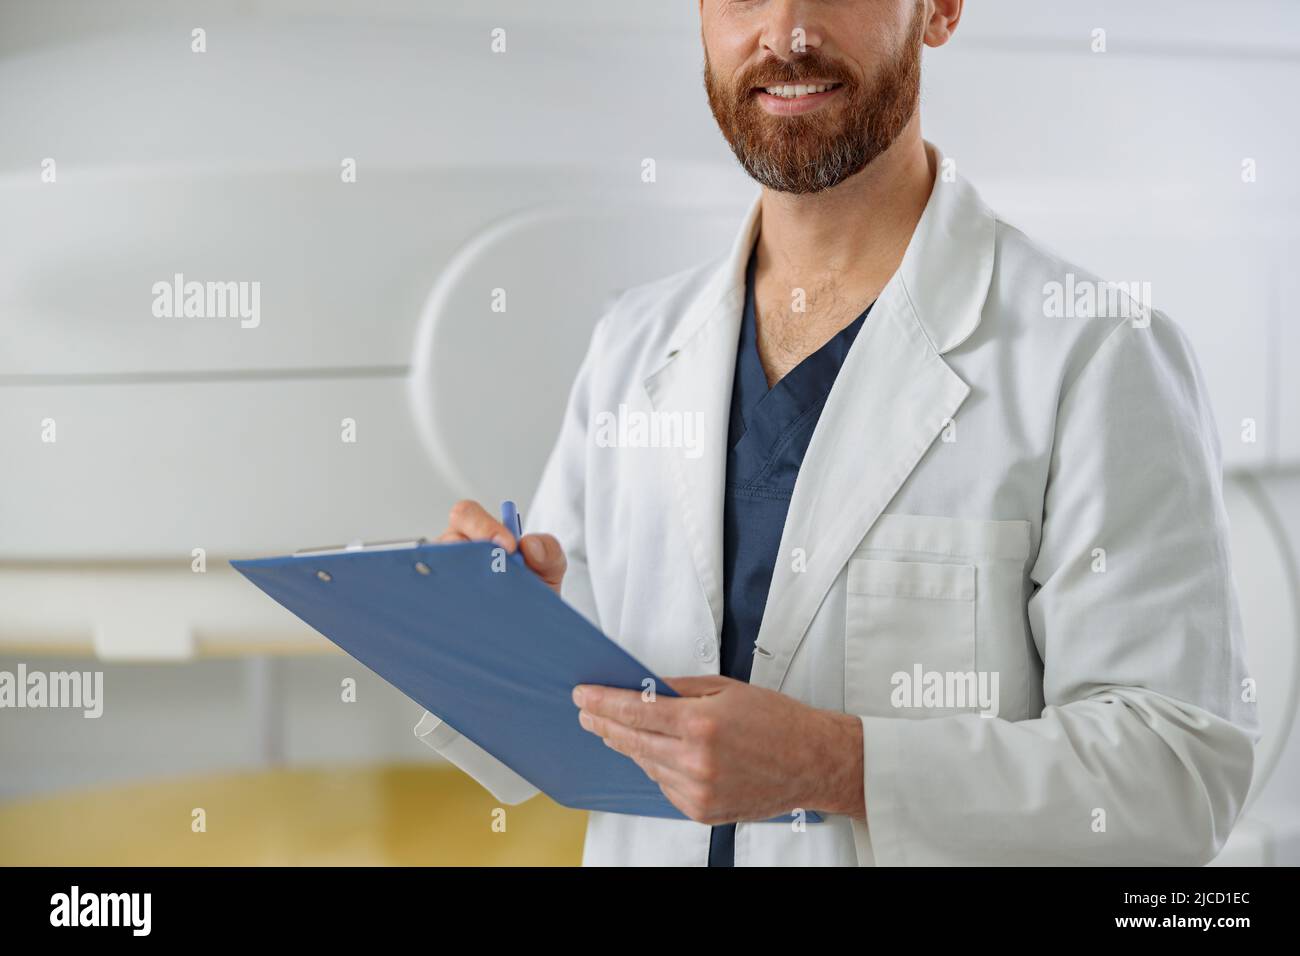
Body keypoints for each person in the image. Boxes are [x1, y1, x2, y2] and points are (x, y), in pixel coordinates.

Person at [418, 0, 1257, 866]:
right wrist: (491, 624)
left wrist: (839, 765)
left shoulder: (1093, 356)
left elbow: (1176, 775)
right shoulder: (632, 345)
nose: (786, 34)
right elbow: (577, 717)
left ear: (938, 11)